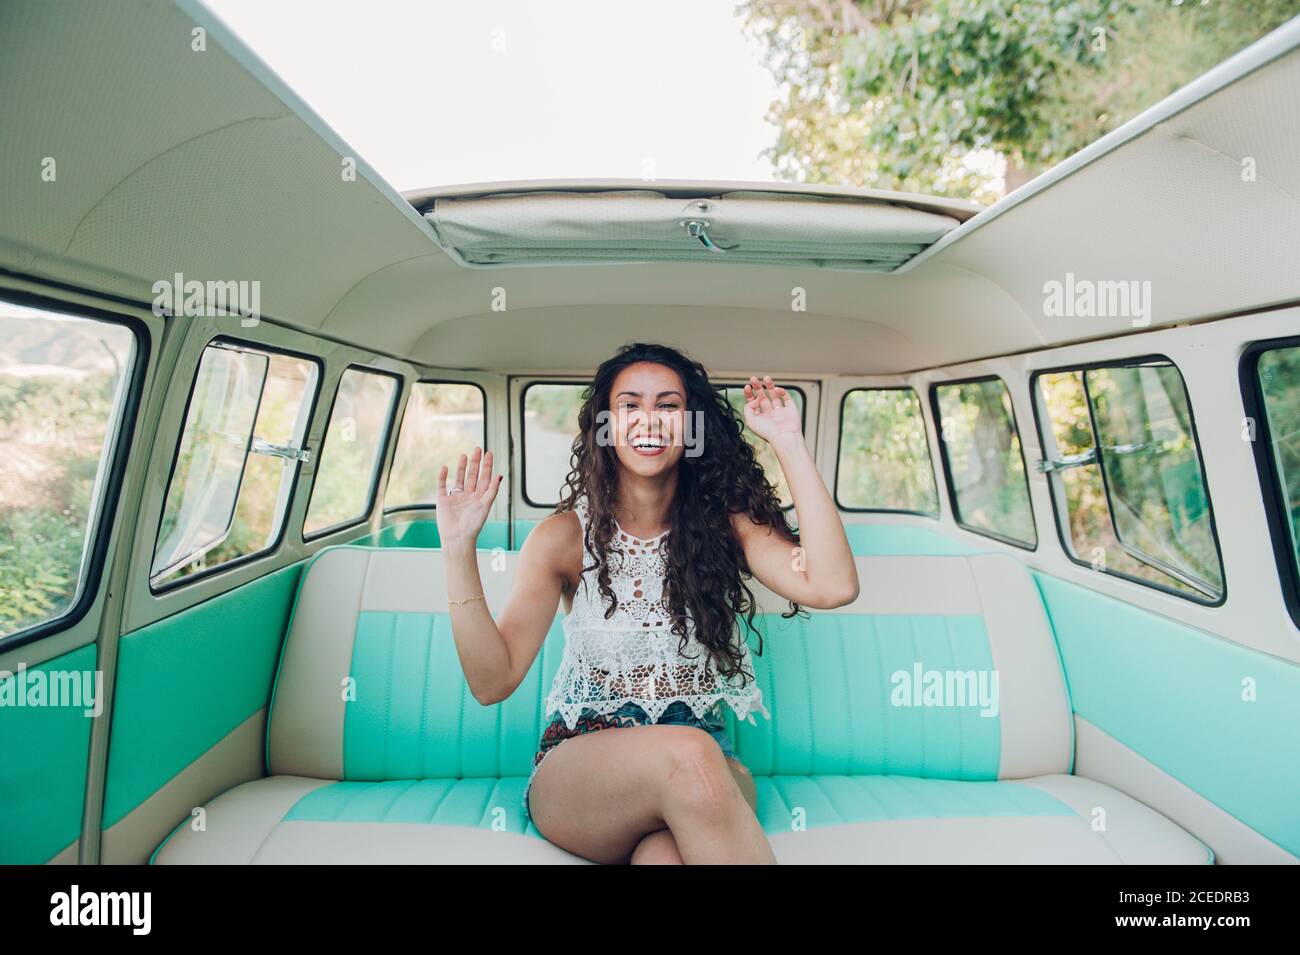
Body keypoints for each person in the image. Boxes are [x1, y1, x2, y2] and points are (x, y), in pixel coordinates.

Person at [435, 342, 859, 864]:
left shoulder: (727, 526)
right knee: (688, 753)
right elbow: (490, 681)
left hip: (706, 762)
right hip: (581, 769)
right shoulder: (564, 537)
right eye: (630, 406)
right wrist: (458, 550)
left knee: (664, 854)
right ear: (606, 427)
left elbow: (833, 585)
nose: (649, 421)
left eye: (668, 406)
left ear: (692, 424)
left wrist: (789, 444)